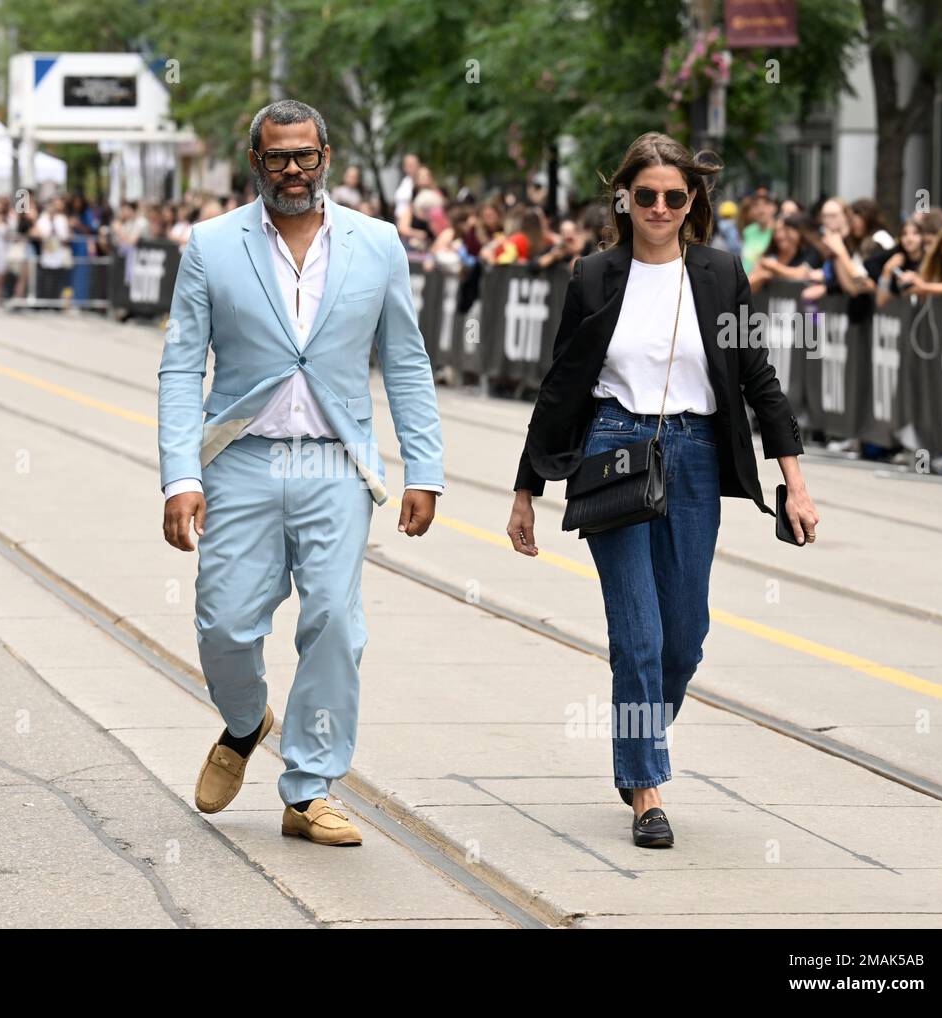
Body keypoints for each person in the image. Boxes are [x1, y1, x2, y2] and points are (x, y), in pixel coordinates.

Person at [506, 132, 818, 848]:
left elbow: (759, 380)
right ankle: (646, 788)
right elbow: (560, 390)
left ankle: (634, 742)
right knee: (639, 638)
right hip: (616, 448)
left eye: (674, 196)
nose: (658, 207)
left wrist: (793, 483)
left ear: (692, 202)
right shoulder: (593, 275)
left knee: (685, 640)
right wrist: (527, 490)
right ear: (624, 198)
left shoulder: (720, 274)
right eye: (644, 195)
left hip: (697, 455)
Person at [158, 99, 444, 846]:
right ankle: (247, 723)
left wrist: (426, 468)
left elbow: (406, 361)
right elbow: (182, 365)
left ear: (327, 157)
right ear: (255, 161)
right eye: (278, 156)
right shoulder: (210, 244)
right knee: (223, 626)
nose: (293, 169)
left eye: (306, 155)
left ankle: (309, 788)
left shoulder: (377, 244)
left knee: (334, 626)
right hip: (240, 463)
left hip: (335, 463)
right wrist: (178, 476)